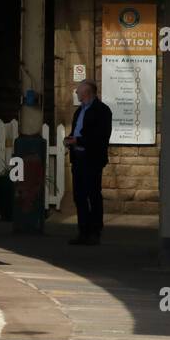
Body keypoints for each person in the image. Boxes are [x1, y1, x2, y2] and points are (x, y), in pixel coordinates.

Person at [63, 79, 112, 245]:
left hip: (92, 159)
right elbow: (76, 130)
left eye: (79, 91)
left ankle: (95, 232)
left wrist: (78, 141)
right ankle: (83, 231)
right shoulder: (79, 112)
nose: (76, 93)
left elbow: (100, 137)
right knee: (79, 196)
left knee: (93, 195)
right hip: (78, 158)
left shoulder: (102, 111)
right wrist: (70, 139)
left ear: (87, 92)